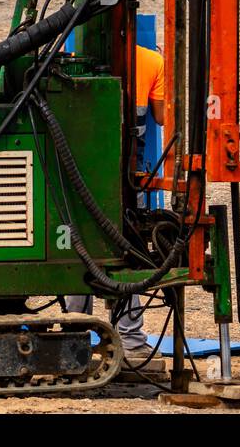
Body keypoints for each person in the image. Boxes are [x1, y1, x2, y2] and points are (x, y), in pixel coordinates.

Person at [64, 43, 165, 362]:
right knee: (127, 250)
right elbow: (162, 117)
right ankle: (130, 338)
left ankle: (74, 336)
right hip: (126, 179)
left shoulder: (74, 62)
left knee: (81, 248)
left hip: (80, 177)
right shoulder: (152, 61)